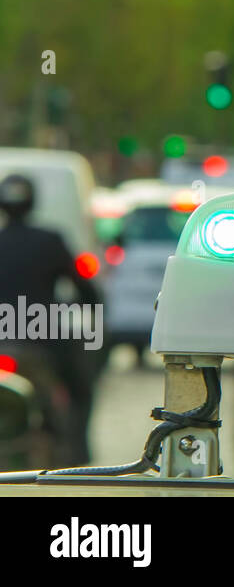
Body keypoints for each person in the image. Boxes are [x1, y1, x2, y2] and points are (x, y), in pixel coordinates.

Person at [0, 173, 102, 464]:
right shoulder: (50, 240)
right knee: (80, 390)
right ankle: (77, 457)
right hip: (42, 342)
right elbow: (85, 289)